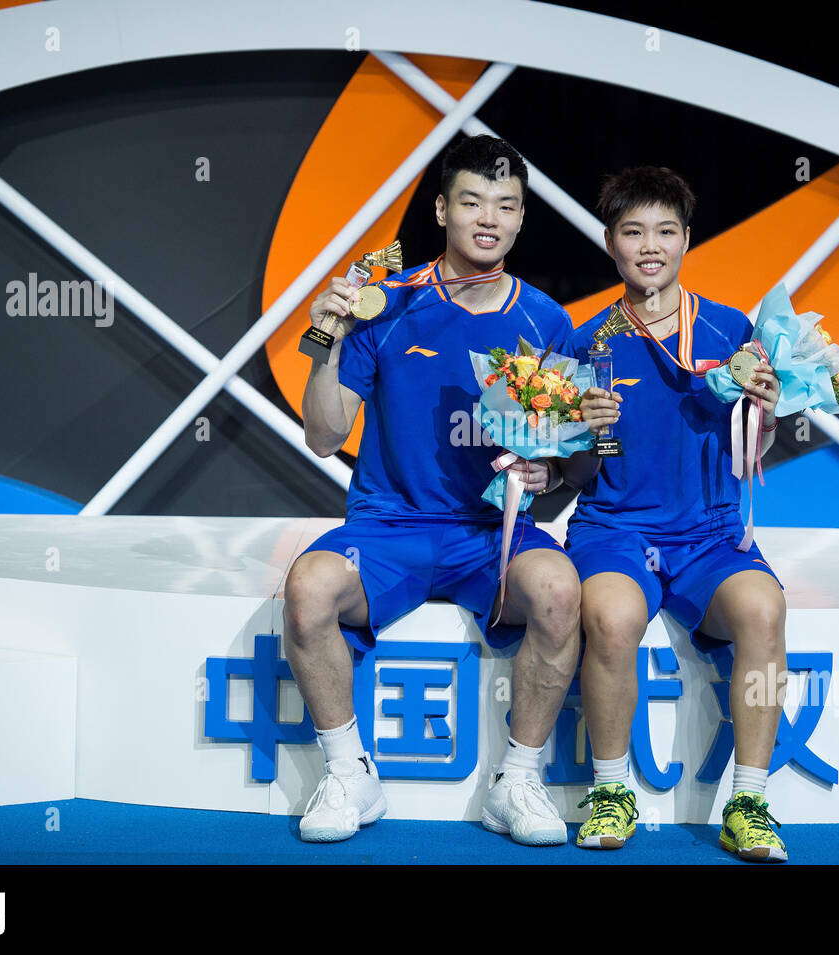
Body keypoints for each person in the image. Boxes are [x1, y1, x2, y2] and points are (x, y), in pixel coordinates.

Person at [284, 134, 605, 847]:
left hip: (491, 534)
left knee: (558, 589)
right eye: (471, 201)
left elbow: (570, 461)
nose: (488, 217)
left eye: (506, 205)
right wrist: (329, 339)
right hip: (389, 528)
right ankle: (349, 772)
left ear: (521, 220)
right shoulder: (386, 305)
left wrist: (547, 471)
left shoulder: (546, 321)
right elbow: (322, 434)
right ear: (441, 209)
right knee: (307, 587)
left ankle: (515, 780)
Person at [559, 166, 790, 861]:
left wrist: (768, 412)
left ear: (687, 238)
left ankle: (748, 799)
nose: (649, 245)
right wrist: (578, 431)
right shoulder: (583, 343)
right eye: (633, 232)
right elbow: (575, 477)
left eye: (665, 230)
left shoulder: (730, 328)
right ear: (610, 242)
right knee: (610, 616)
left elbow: (756, 452)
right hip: (614, 530)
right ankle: (610, 788)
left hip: (712, 534)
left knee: (763, 610)